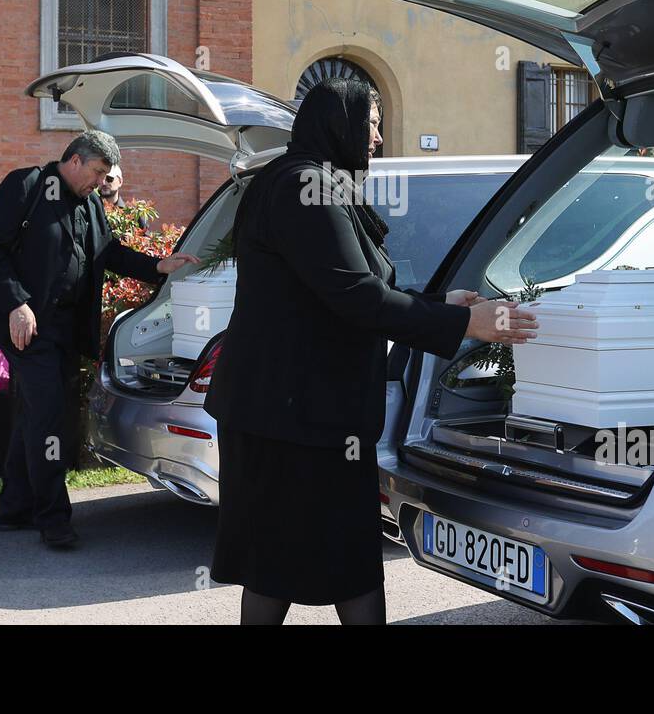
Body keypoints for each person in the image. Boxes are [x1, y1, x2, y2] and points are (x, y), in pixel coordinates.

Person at [204, 78, 538, 625]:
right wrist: (464, 321)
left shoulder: (304, 181)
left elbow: (348, 290)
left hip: (297, 414)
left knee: (301, 560)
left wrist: (440, 303)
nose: (378, 138)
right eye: (372, 124)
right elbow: (356, 297)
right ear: (342, 124)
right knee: (315, 560)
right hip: (292, 420)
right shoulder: (303, 188)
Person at [0, 130, 199, 548]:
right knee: (49, 422)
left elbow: (108, 253)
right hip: (28, 326)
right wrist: (16, 303)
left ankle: (15, 508)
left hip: (64, 331)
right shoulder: (25, 185)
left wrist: (158, 266)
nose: (101, 182)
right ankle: (54, 520)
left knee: (33, 415)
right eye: (97, 172)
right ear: (75, 160)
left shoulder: (90, 202)